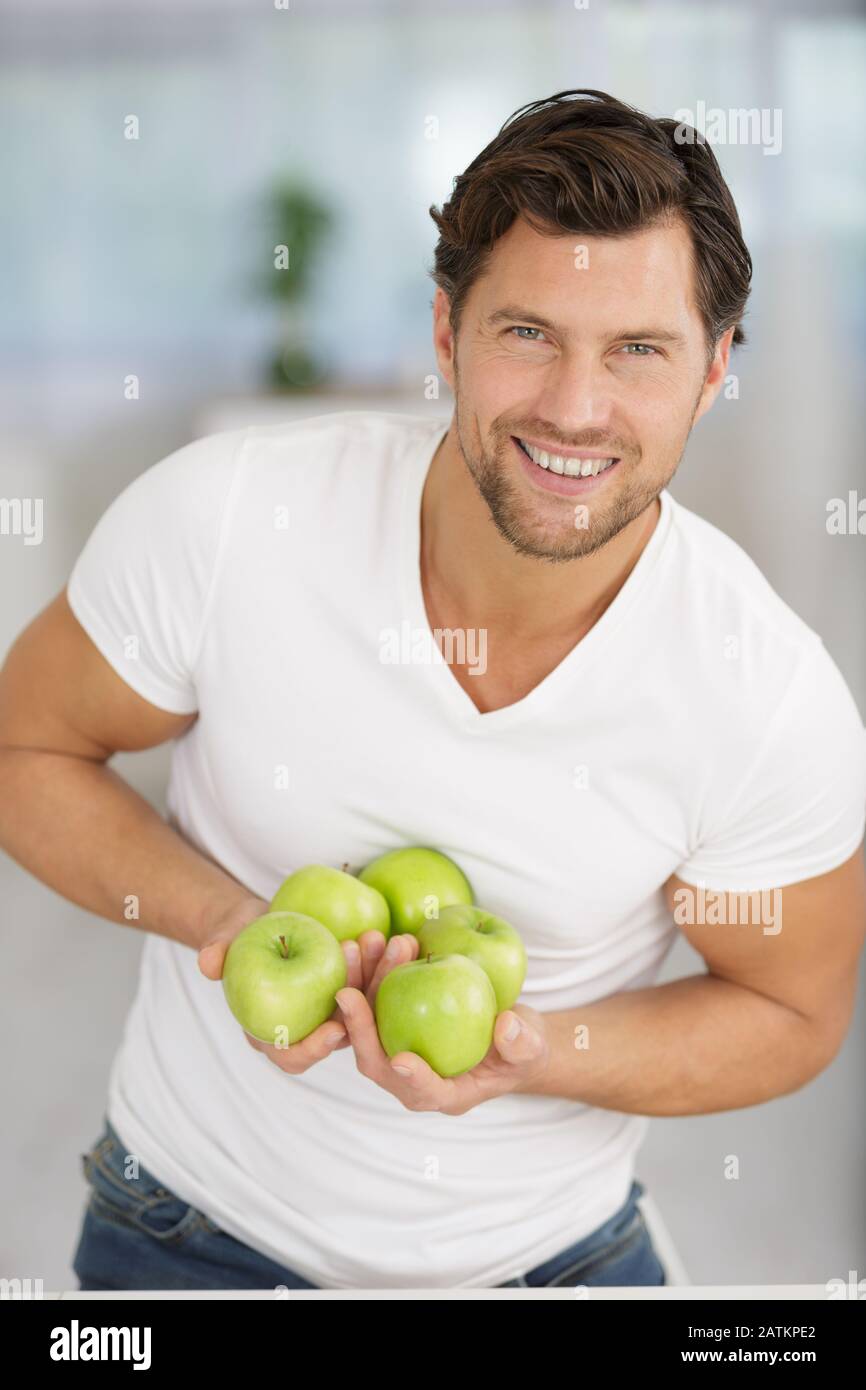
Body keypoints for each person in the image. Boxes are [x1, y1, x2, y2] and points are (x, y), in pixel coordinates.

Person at [1, 89, 864, 1293]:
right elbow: (25, 753)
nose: (573, 406)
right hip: (183, 1233)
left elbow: (790, 1014)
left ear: (716, 366)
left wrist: (525, 1051)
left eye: (636, 349)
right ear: (447, 330)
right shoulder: (232, 516)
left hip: (547, 1260)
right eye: (527, 334)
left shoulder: (765, 699)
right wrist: (220, 920)